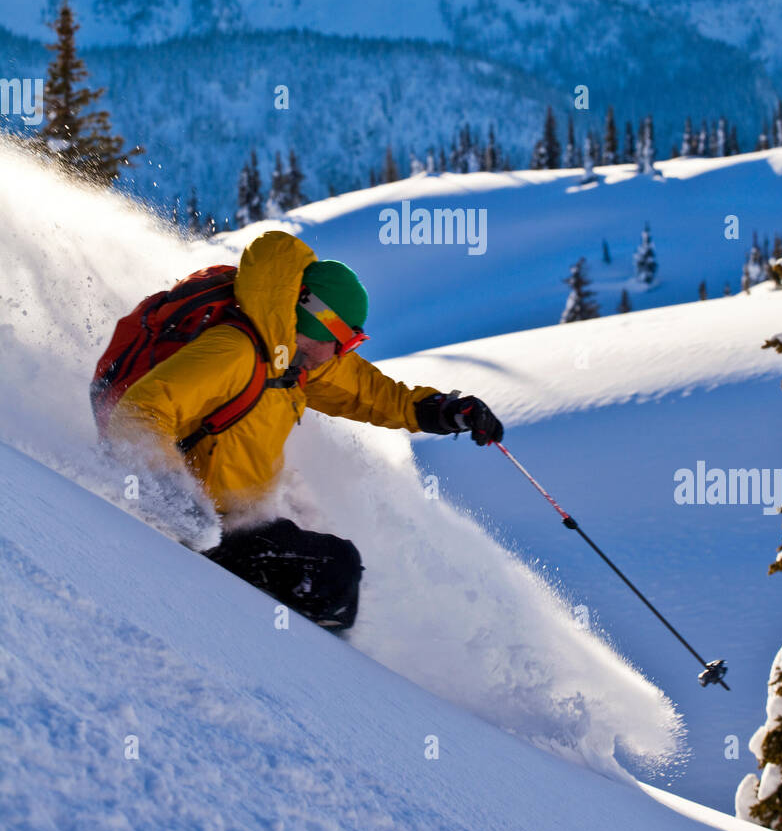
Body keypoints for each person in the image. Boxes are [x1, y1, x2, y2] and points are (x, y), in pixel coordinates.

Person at [99, 229, 503, 631]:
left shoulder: (291, 357)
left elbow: (372, 394)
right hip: (203, 524)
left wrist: (444, 411)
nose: (338, 353)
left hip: (237, 512)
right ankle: (284, 661)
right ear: (312, 314)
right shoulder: (235, 351)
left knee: (313, 520)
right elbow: (139, 410)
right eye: (343, 339)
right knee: (335, 571)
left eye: (352, 342)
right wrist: (172, 496)